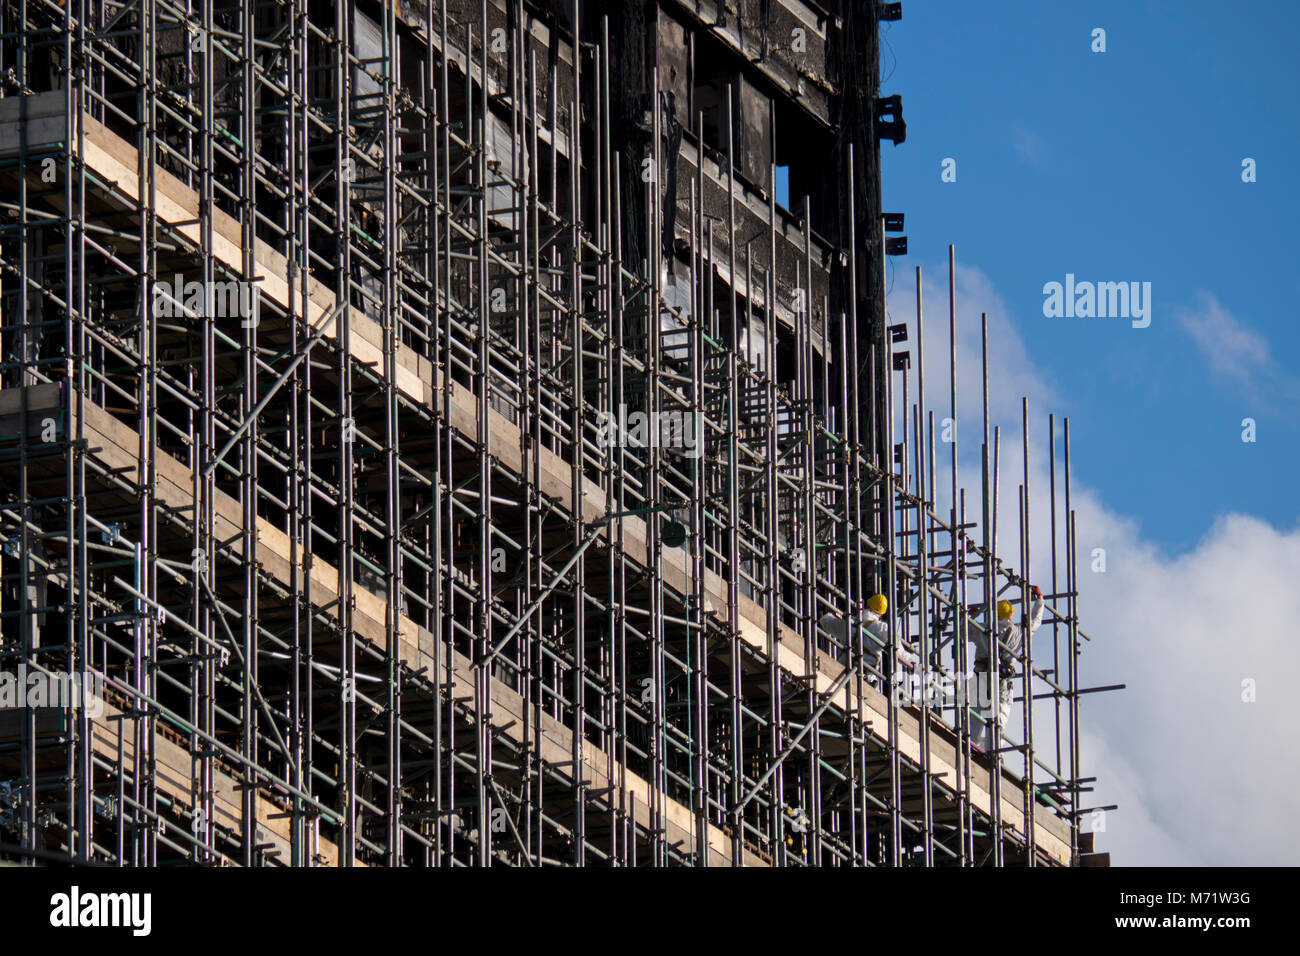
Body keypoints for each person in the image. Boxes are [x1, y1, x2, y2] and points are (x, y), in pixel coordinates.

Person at [969, 585, 1043, 751]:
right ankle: (995, 754)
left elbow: (962, 630)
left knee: (975, 716)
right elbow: (1035, 622)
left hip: (981, 676)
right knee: (997, 719)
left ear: (997, 614)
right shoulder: (1018, 632)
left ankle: (970, 748)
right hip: (1002, 681)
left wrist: (971, 617)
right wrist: (1039, 600)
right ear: (1011, 615)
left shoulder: (983, 629)